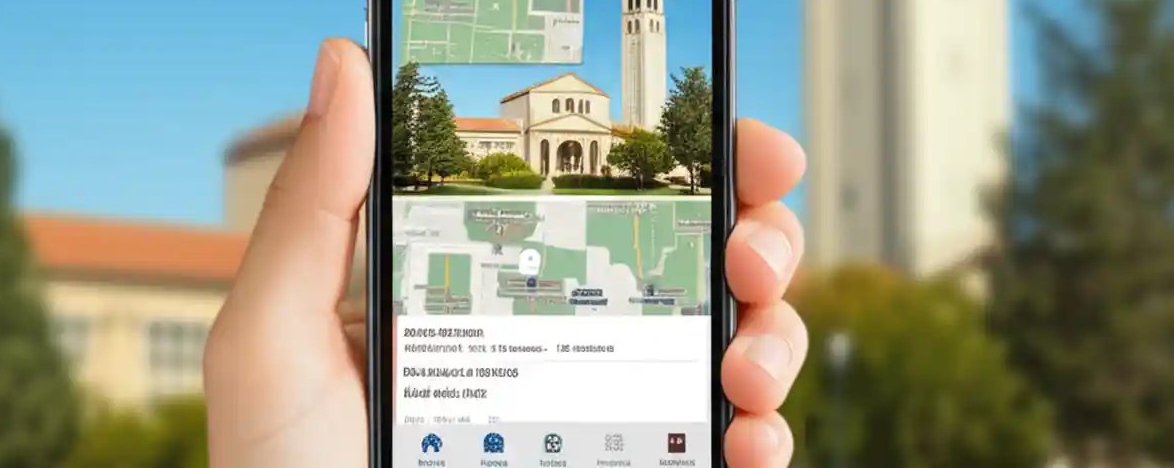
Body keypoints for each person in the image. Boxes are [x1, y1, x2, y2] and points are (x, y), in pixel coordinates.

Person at [204, 39, 808, 468]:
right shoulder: (520, 118)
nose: (641, 16)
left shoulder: (613, 130)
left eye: (644, 9)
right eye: (636, 9)